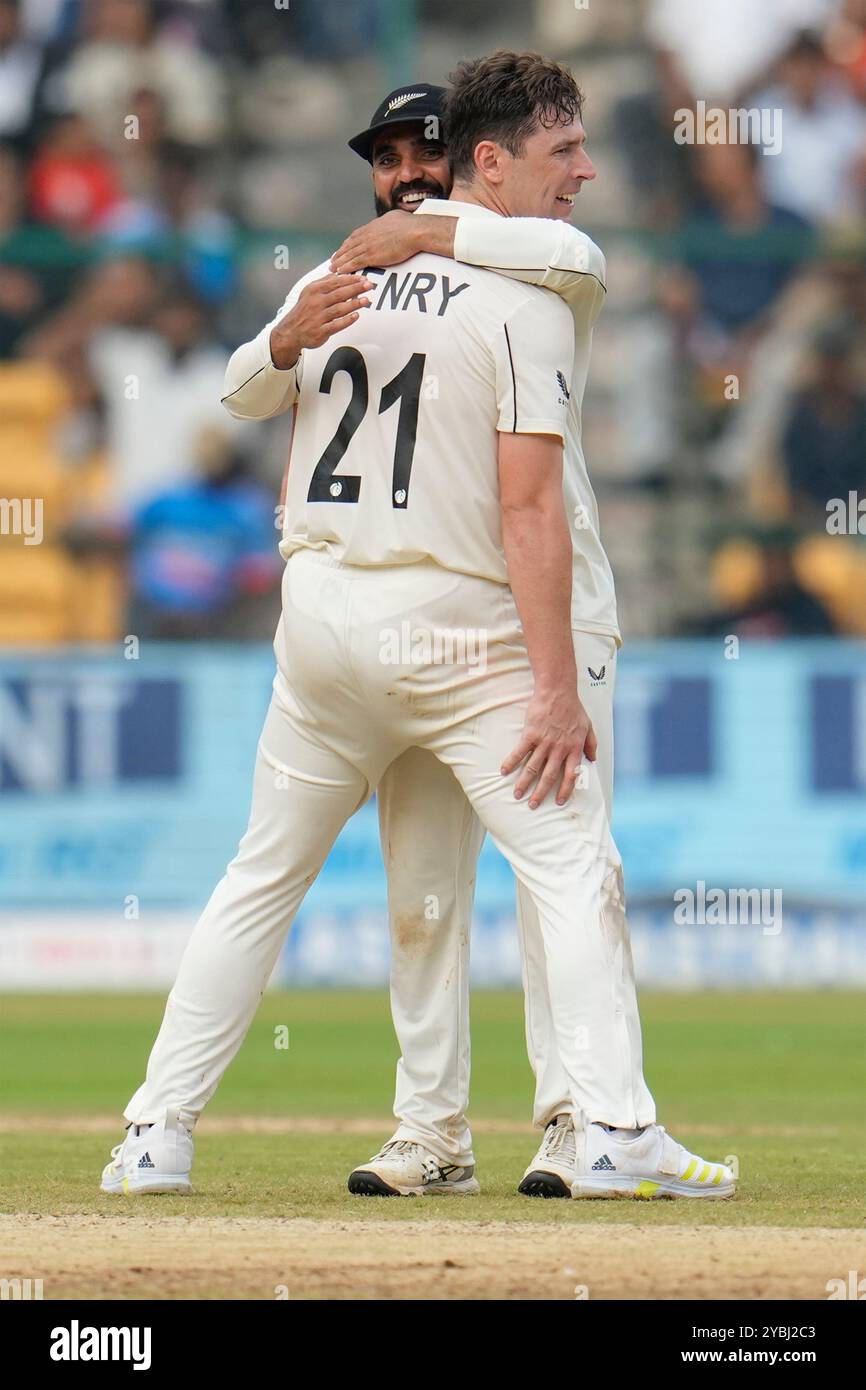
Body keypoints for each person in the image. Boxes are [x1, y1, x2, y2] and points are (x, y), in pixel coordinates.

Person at [101, 51, 734, 1204]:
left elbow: (250, 388)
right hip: (474, 626)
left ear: (457, 165)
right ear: (493, 167)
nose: (398, 180)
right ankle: (583, 1124)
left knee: (285, 880)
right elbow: (521, 504)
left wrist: (383, 267)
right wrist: (549, 683)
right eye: (383, 163)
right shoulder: (495, 294)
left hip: (332, 627)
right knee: (557, 866)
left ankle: (156, 1131)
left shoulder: (385, 271)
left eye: (414, 160)